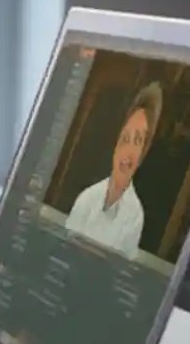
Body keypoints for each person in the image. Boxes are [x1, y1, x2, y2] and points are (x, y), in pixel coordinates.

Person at [64, 82, 164, 259]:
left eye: (138, 141)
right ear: (116, 145)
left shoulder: (135, 216)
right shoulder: (88, 198)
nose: (128, 151)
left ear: (144, 153)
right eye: (125, 139)